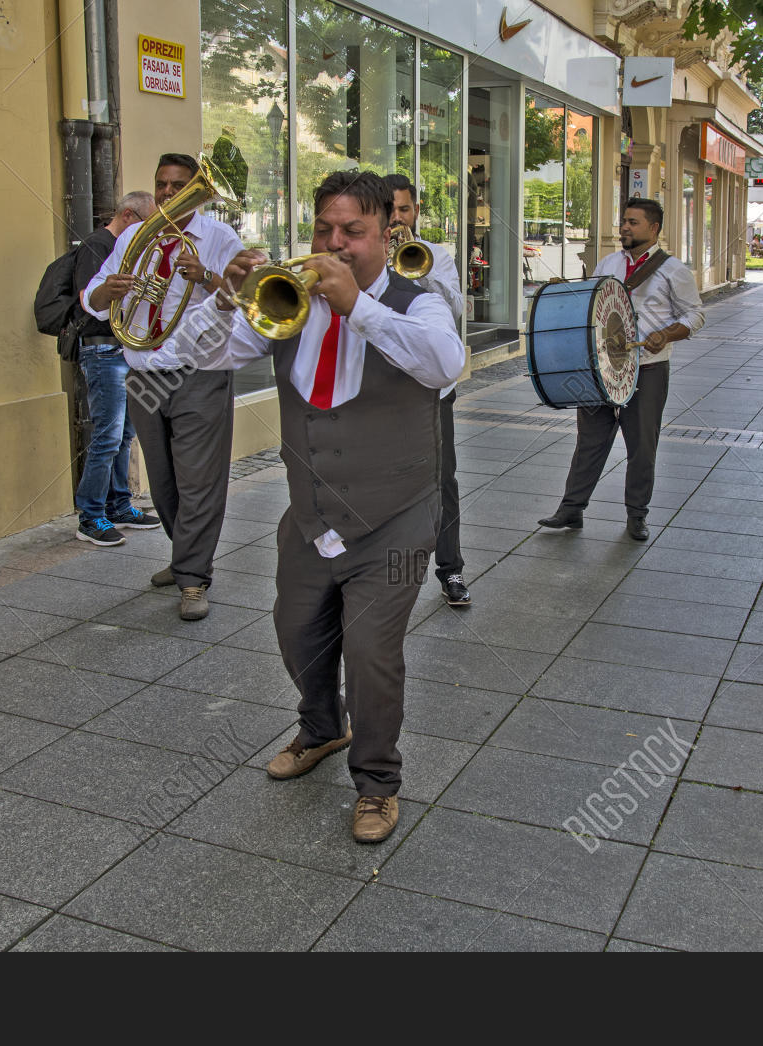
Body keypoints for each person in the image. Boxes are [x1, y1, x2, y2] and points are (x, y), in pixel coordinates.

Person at [217, 170, 464, 843]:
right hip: (313, 514)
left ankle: (378, 782)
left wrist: (360, 306)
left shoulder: (422, 301)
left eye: (352, 231)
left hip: (396, 513)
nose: (335, 243)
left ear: (388, 232)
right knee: (296, 631)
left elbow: (445, 364)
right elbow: (217, 354)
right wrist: (222, 293)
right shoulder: (290, 301)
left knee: (370, 652)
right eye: (324, 228)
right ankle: (322, 729)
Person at [82, 153, 245, 621]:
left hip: (200, 372)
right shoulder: (135, 236)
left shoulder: (219, 237)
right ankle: (184, 559)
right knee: (164, 481)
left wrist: (208, 278)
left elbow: (247, 296)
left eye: (179, 185)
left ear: (197, 189)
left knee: (199, 480)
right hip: (145, 371)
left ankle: (194, 579)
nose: (169, 194)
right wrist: (108, 291)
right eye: (161, 185)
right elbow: (93, 298)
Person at [538, 198, 704, 541]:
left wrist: (667, 333)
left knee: (642, 445)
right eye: (623, 221)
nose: (624, 227)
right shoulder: (610, 261)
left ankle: (637, 515)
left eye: (633, 222)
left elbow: (695, 315)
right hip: (601, 367)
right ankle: (572, 508)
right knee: (590, 440)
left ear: (654, 228)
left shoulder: (674, 270)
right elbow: (595, 306)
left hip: (647, 368)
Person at [384, 173, 471, 607]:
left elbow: (456, 308)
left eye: (403, 209)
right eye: (389, 210)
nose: (397, 218)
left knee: (442, 479)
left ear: (415, 210)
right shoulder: (367, 256)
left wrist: (416, 269)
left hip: (432, 390)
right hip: (384, 389)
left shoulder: (437, 255)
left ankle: (450, 570)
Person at [72, 191, 160, 547]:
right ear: (127, 216)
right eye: (146, 224)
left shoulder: (123, 245)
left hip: (122, 349)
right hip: (103, 348)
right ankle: (91, 516)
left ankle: (119, 504)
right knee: (107, 436)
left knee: (123, 435)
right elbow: (89, 300)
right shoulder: (98, 245)